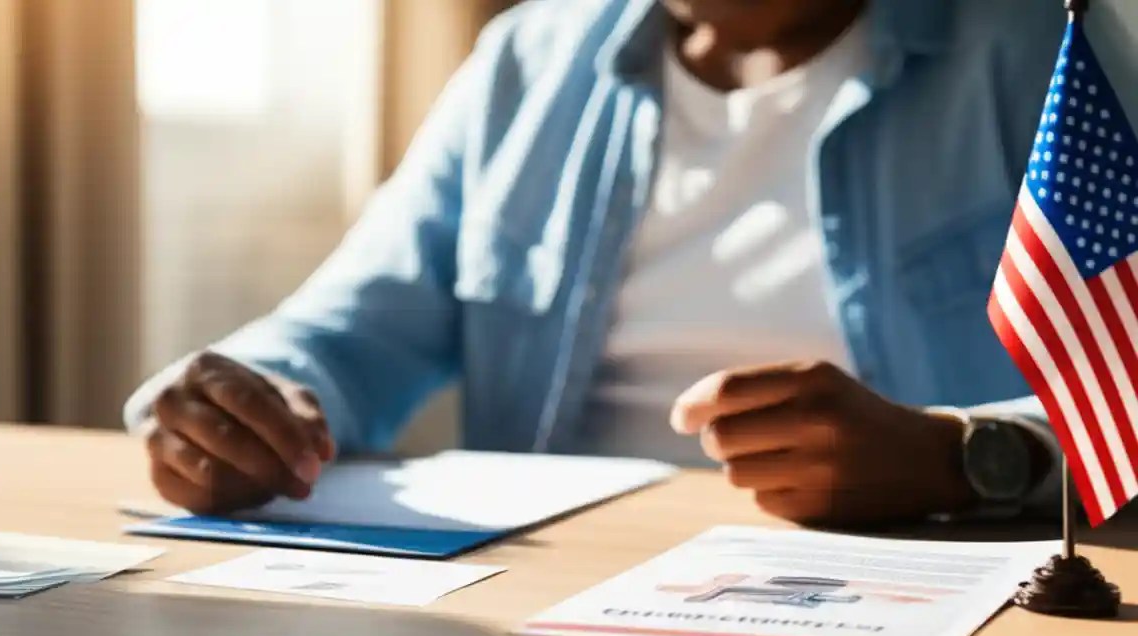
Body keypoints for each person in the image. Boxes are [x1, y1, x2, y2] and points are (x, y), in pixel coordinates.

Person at [125, 0, 1067, 526]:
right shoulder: (529, 64)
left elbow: (1129, 394)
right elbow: (348, 330)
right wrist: (246, 403)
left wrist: (960, 456)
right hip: (563, 605)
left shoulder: (1044, 56)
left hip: (928, 610)